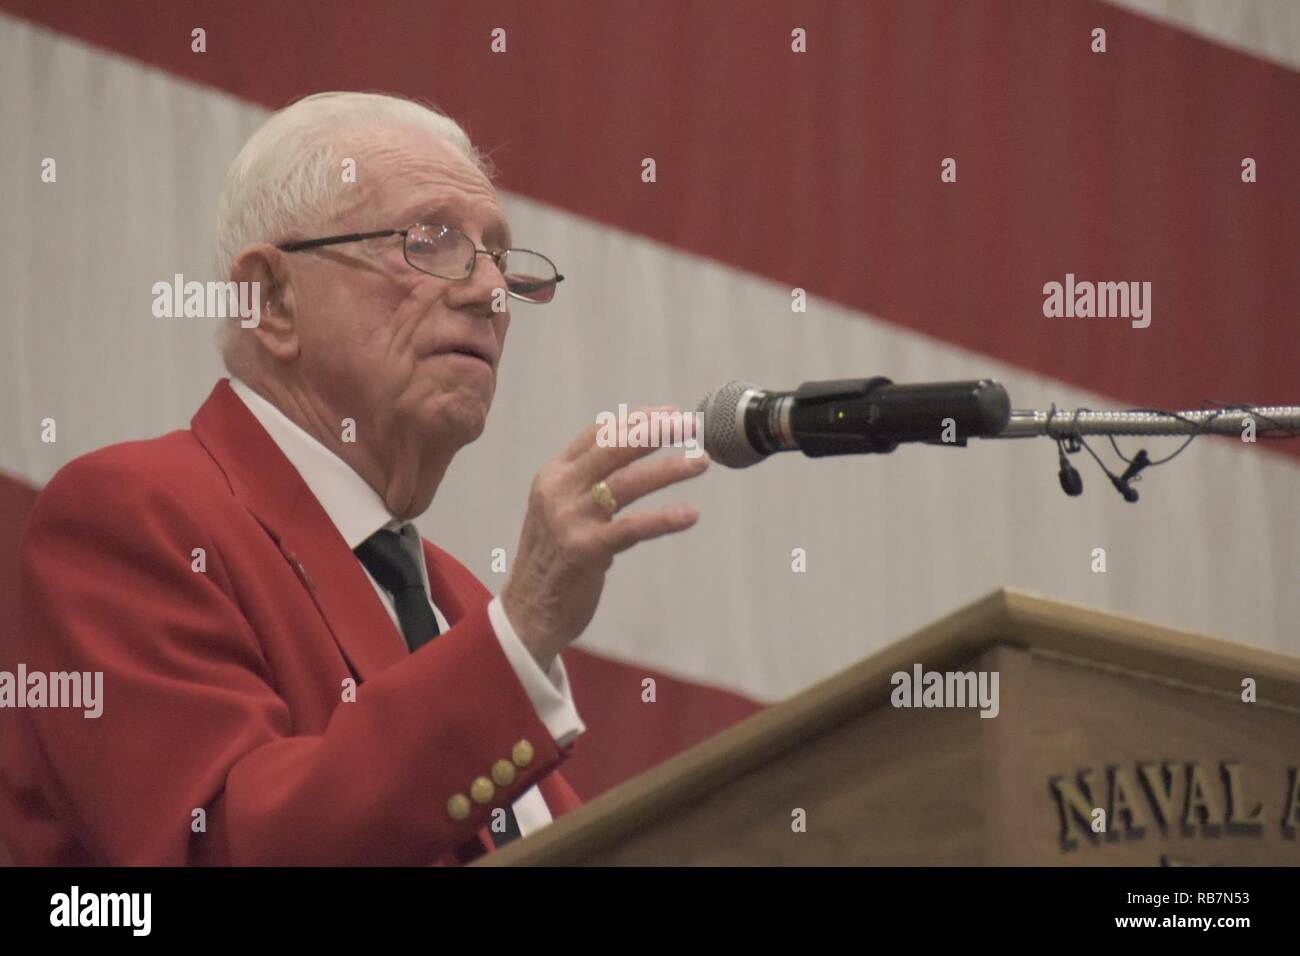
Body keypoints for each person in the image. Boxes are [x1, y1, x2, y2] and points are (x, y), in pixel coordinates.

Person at [0, 92, 709, 865]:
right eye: (430, 241)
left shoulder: (457, 604)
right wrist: (527, 625)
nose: (491, 292)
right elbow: (227, 849)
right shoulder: (135, 516)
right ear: (271, 299)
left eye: (499, 256)